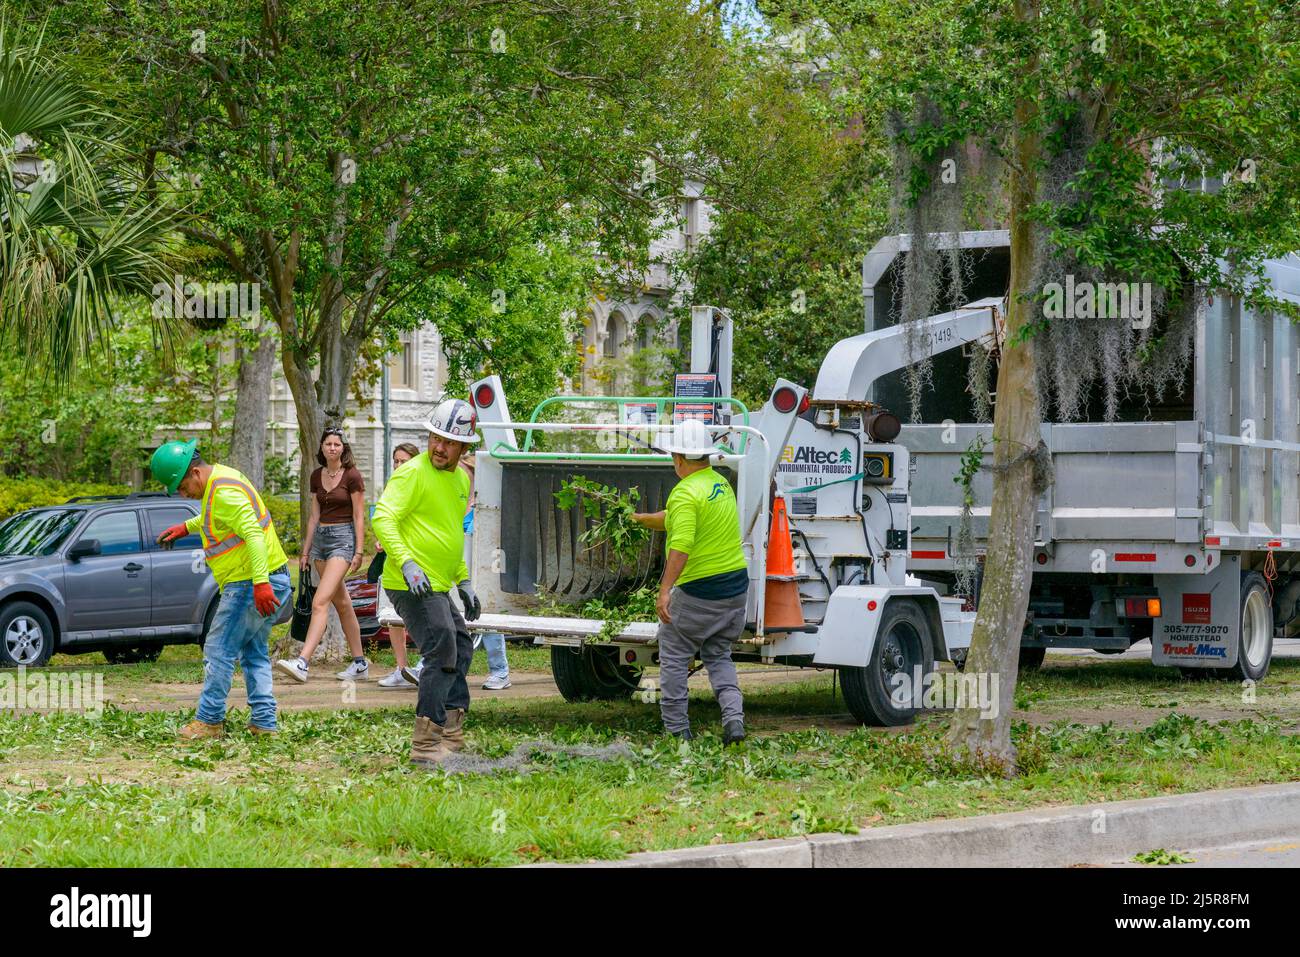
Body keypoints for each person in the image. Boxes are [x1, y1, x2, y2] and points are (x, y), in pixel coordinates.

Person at [150, 439, 292, 740]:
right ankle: (264, 723)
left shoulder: (223, 492)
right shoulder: (223, 479)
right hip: (269, 577)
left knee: (218, 650)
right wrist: (187, 527)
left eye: (181, 486)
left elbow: (252, 534)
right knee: (254, 653)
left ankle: (209, 720)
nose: (181, 493)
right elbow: (220, 519)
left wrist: (260, 583)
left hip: (250, 583)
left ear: (195, 473)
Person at [371, 398, 482, 767]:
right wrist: (407, 563)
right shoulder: (412, 473)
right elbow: (383, 518)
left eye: (449, 442)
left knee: (462, 647)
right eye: (435, 437)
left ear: (464, 447)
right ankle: (425, 745)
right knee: (441, 647)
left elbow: (451, 534)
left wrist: (463, 582)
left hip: (437, 582)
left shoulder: (461, 481)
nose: (439, 447)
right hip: (408, 581)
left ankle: (451, 730)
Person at [632, 419, 749, 744]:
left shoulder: (684, 492)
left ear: (679, 458)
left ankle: (678, 731)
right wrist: (642, 519)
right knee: (718, 654)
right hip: (736, 590)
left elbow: (681, 544)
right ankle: (734, 721)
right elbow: (678, 519)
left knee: (673, 654)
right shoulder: (718, 484)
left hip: (700, 591)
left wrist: (665, 590)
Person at [275, 428, 369, 683]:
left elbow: (359, 516)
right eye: (328, 444)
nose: (332, 448)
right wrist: (305, 551)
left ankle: (303, 663)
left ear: (343, 448)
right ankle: (360, 664)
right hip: (320, 544)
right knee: (343, 604)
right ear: (322, 448)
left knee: (320, 602)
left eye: (337, 444)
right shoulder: (316, 476)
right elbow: (314, 516)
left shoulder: (352, 476)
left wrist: (359, 550)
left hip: (343, 542)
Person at [375, 443, 424, 689]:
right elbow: (385, 520)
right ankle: (402, 668)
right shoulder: (392, 487)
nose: (398, 466)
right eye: (395, 461)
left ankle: (426, 666)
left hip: (416, 563)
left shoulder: (420, 485)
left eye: (403, 461)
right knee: (393, 618)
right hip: (393, 564)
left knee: (422, 618)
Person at [460, 453, 510, 690]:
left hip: (481, 571)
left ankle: (500, 671)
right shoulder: (453, 502)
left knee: (487, 617)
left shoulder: (484, 505)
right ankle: (434, 666)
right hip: (455, 572)